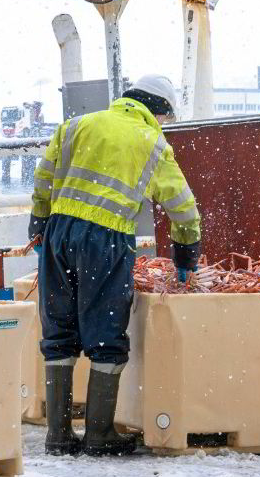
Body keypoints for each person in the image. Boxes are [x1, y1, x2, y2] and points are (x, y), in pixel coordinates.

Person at [28, 74, 202, 456]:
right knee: (105, 332)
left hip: (58, 232)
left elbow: (43, 178)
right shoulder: (152, 141)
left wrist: (40, 225)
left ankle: (57, 434)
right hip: (105, 240)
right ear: (160, 111)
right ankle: (99, 433)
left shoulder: (76, 125)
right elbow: (182, 207)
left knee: (59, 329)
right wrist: (186, 255)